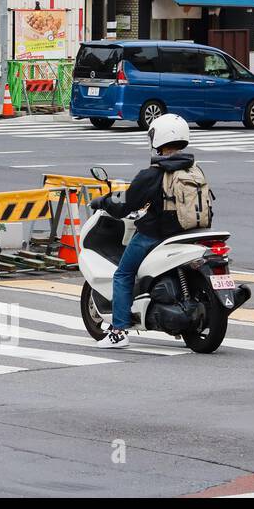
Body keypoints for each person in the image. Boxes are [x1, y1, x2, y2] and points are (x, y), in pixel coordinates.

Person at [90, 113, 201, 349]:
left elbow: (126, 206)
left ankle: (118, 330)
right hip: (192, 233)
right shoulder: (194, 170)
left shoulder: (153, 173)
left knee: (122, 274)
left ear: (157, 139)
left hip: (156, 234)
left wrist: (103, 202)